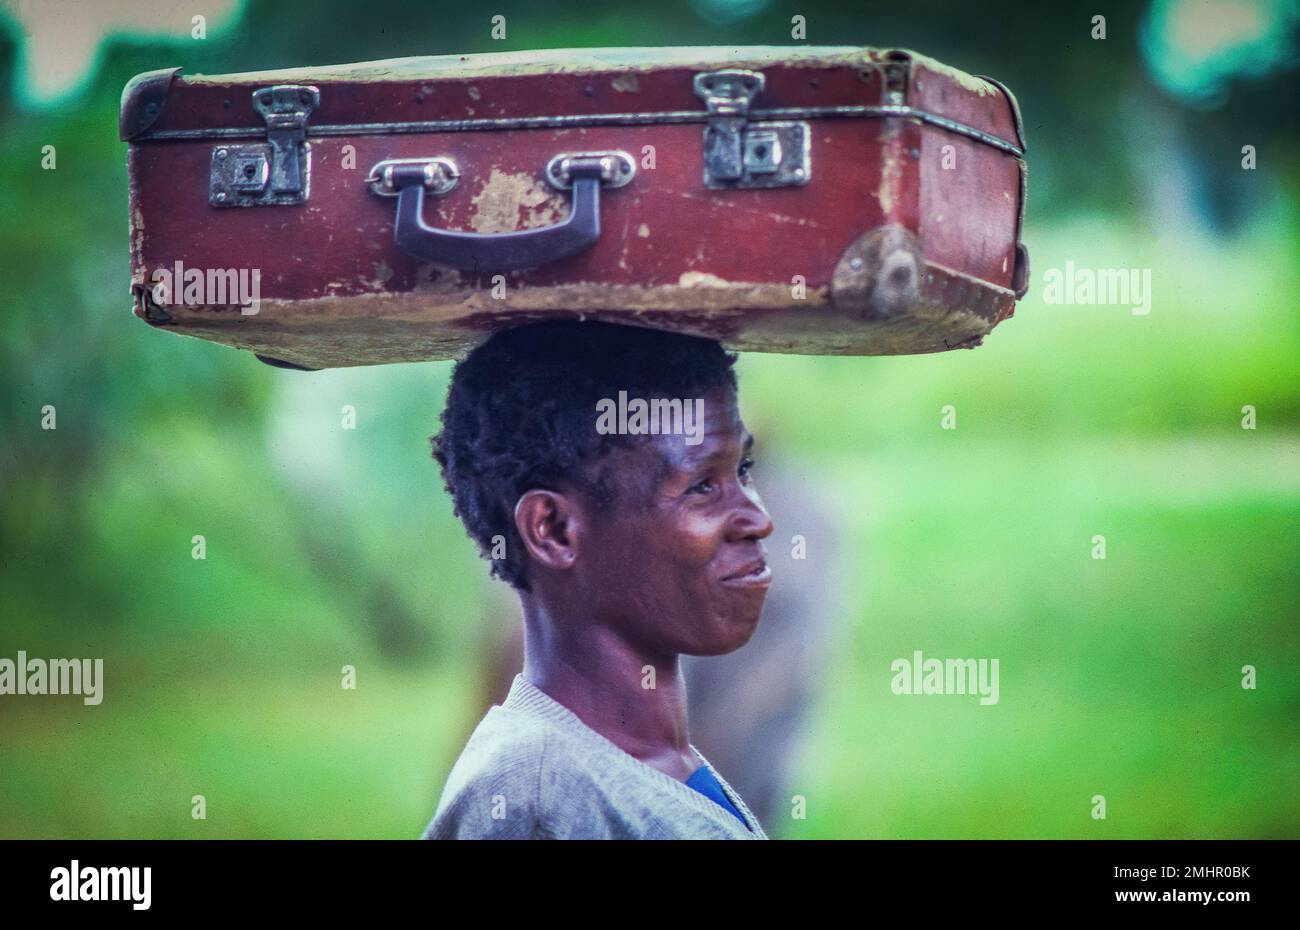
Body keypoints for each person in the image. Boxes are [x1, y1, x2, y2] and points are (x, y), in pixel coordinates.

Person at [422, 320, 774, 839]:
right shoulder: (535, 804)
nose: (758, 519)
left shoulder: (650, 765)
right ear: (554, 530)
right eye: (701, 486)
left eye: (741, 470)